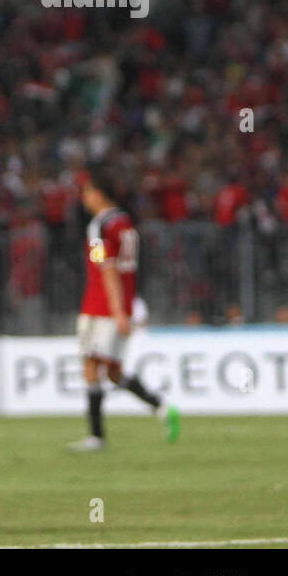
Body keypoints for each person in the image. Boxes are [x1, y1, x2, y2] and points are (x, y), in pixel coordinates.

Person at [69, 168, 180, 451]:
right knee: (112, 372)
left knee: (92, 365)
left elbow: (104, 267)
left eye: (87, 192)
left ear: (98, 194)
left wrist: (117, 310)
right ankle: (162, 408)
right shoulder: (125, 222)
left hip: (101, 306)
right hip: (119, 303)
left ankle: (96, 436)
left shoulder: (99, 226)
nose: (84, 198)